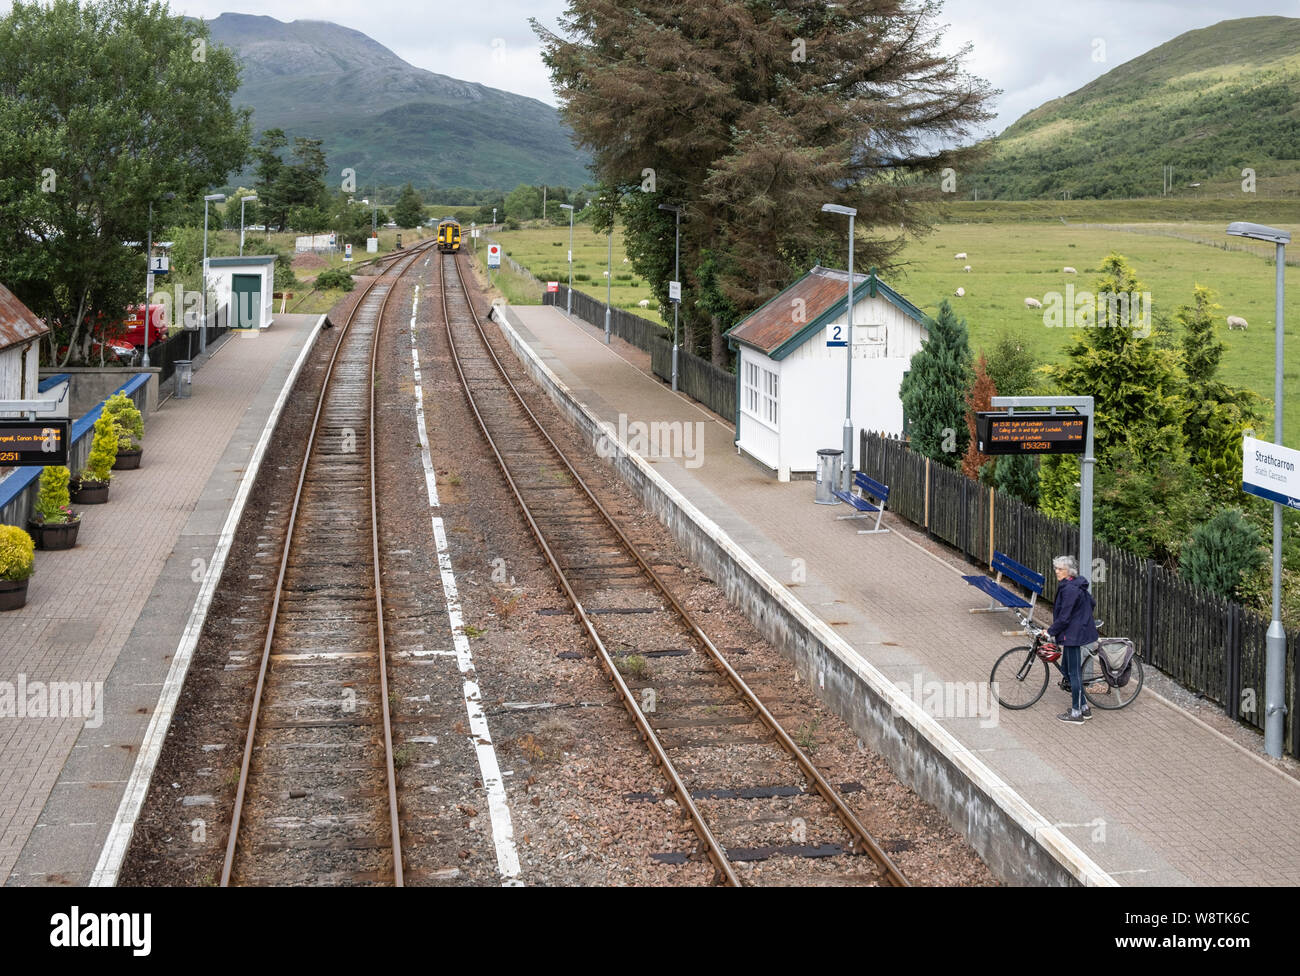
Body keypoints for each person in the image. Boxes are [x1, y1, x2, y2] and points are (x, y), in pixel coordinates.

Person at [1046, 555, 1098, 724]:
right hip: (1072, 633)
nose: (1056, 572)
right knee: (1067, 670)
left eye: (1060, 569)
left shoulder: (1070, 589)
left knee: (1074, 674)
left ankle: (1076, 714)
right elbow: (1092, 603)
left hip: (1073, 635)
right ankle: (1084, 707)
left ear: (1069, 571)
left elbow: (1064, 617)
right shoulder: (1075, 584)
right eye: (1056, 568)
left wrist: (1050, 632)